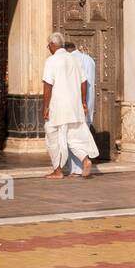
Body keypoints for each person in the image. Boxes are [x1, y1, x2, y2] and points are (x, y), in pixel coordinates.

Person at [42, 31, 99, 179]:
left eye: (49, 45)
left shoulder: (51, 61)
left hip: (58, 106)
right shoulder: (74, 60)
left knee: (53, 137)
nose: (48, 48)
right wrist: (83, 102)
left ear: (53, 45)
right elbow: (83, 82)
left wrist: (46, 107)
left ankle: (58, 170)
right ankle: (85, 159)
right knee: (73, 137)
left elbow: (48, 85)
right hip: (74, 106)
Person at [64, 42, 97, 175]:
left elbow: (80, 83)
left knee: (71, 136)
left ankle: (76, 169)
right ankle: (81, 165)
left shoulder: (70, 60)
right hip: (87, 104)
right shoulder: (89, 60)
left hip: (74, 105)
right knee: (82, 135)